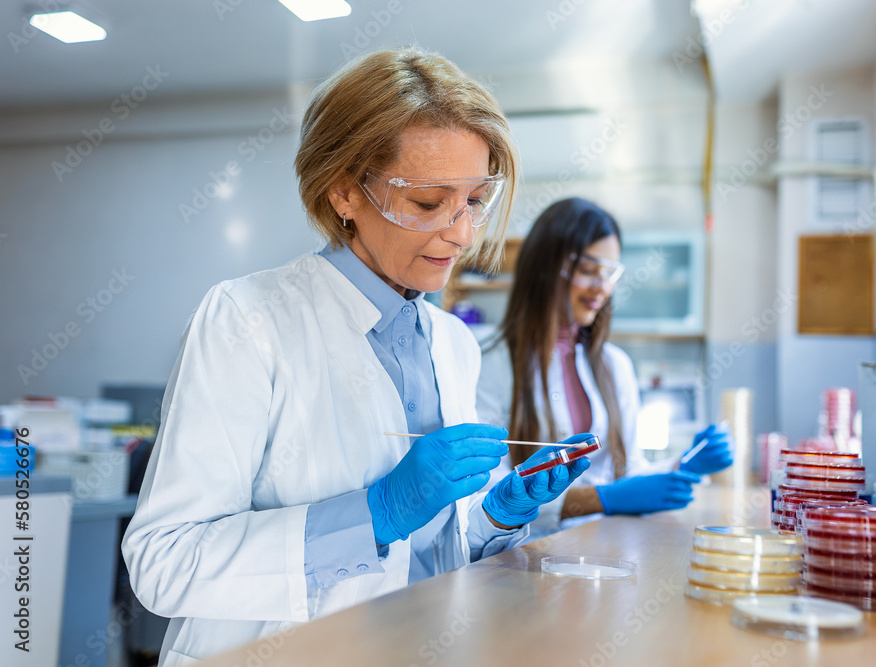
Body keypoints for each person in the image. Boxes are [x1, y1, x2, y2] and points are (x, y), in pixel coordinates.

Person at [122, 48, 590, 666]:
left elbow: (429, 554)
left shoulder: (452, 343)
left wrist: (495, 520)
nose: (460, 232)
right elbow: (164, 564)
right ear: (345, 191)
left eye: (475, 200)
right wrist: (375, 513)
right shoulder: (247, 319)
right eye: (428, 202)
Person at [477, 198, 732, 537]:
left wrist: (685, 465)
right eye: (588, 270)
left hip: (599, 549)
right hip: (520, 553)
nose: (603, 287)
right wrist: (602, 498)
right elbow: (488, 496)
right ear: (546, 266)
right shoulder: (490, 361)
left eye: (610, 272)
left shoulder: (613, 364)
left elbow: (627, 474)